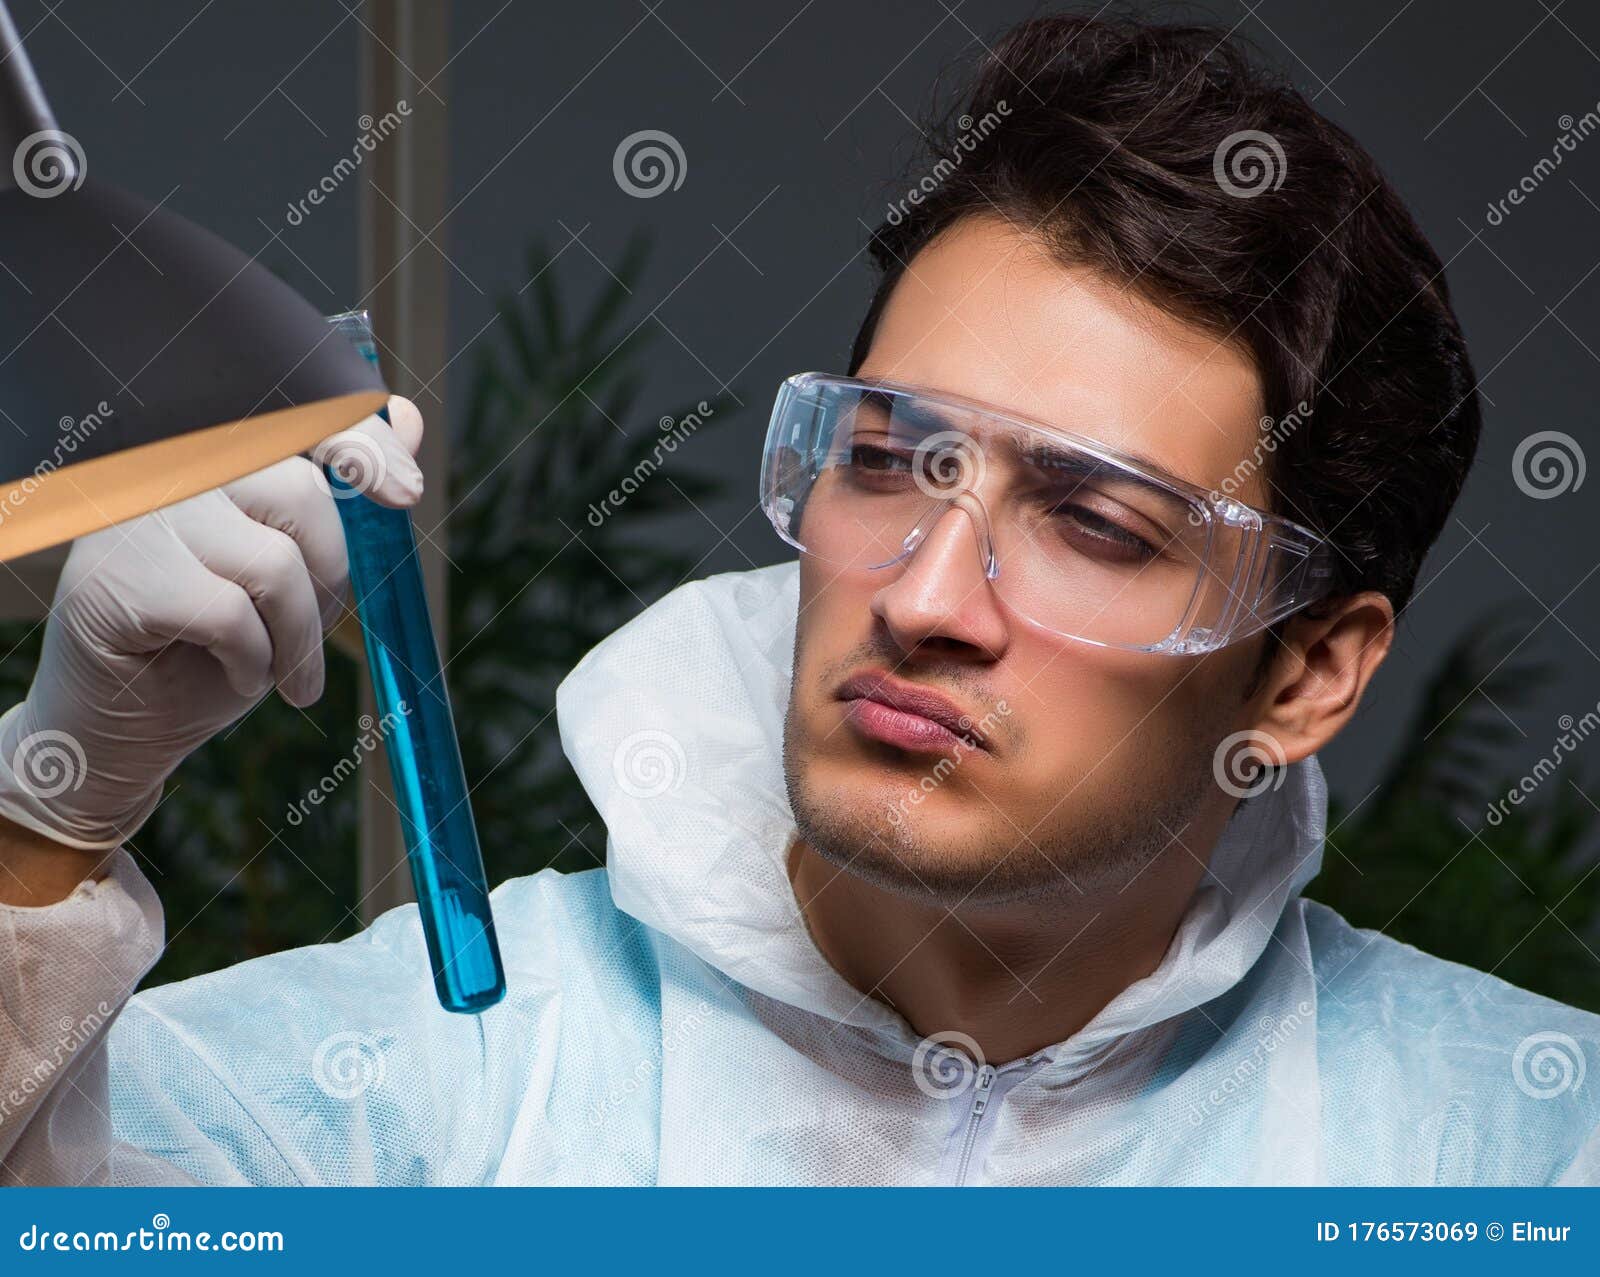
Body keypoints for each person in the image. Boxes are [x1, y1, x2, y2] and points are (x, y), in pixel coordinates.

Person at [1, 14, 1596, 1187]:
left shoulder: (1525, 1148)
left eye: (1095, 524)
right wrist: (47, 811)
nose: (924, 598)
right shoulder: (434, 1072)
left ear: (1308, 670)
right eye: (894, 459)